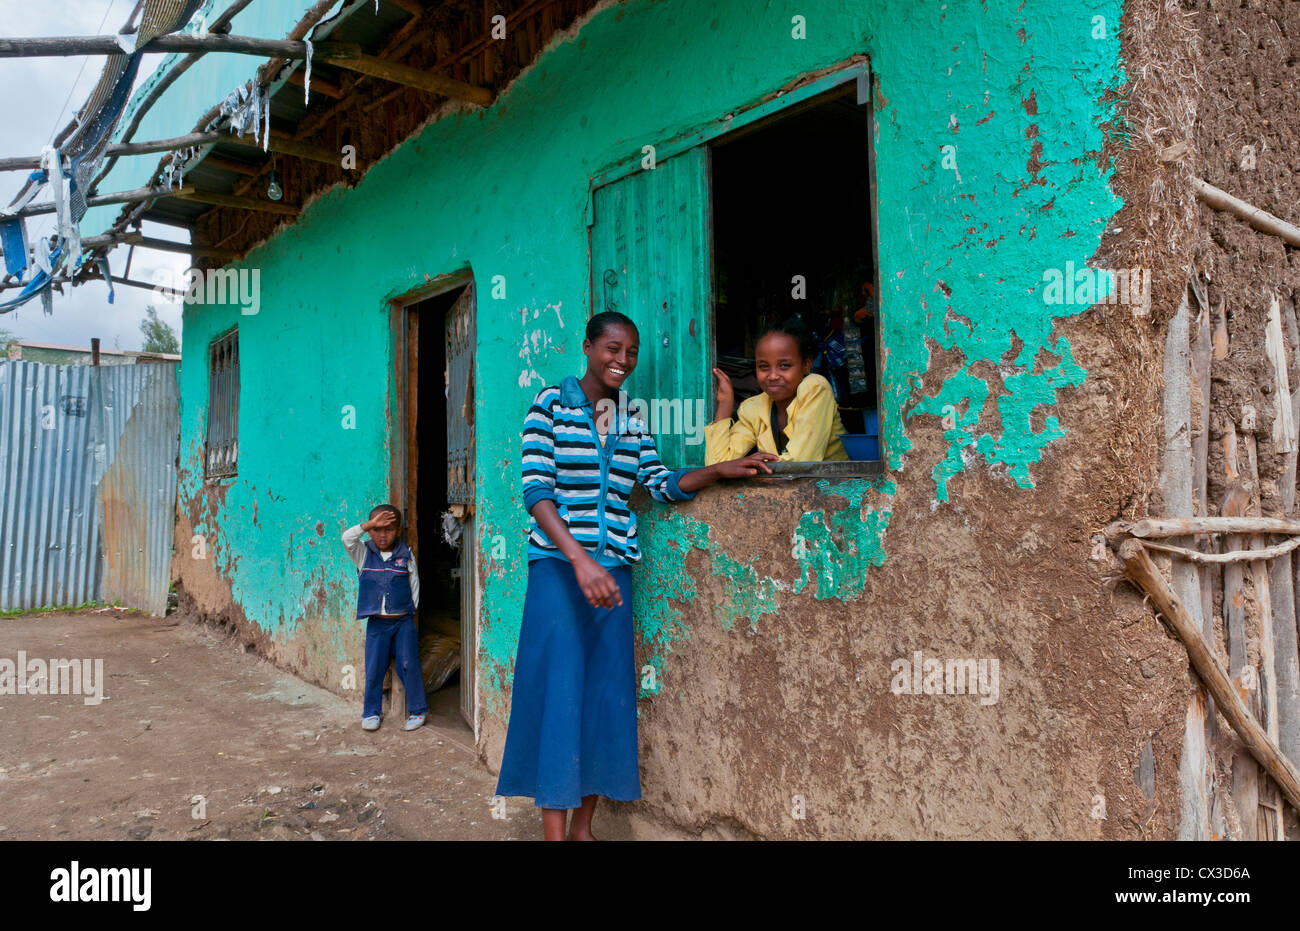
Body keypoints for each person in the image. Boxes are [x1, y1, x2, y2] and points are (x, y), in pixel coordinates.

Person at [495, 310, 777, 840]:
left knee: (605, 695)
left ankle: (583, 830)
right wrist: (580, 561)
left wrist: (718, 470)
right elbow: (537, 492)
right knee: (560, 693)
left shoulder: (633, 417)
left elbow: (656, 481)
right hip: (559, 570)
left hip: (615, 572)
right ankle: (554, 834)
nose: (622, 361)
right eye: (612, 349)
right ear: (587, 348)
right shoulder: (550, 404)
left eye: (631, 353)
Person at [706, 319, 848, 464]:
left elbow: (801, 463)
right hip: (785, 486)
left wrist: (758, 466)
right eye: (763, 367)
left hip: (834, 486)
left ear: (806, 365)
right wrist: (725, 404)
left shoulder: (816, 387)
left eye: (784, 366)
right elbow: (717, 465)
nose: (773, 376)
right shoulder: (753, 407)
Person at [341, 505, 428, 732]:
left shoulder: (405, 554)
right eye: (378, 529)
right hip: (377, 624)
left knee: (409, 665)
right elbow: (347, 538)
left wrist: (409, 612)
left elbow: (414, 585)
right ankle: (371, 712)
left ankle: (418, 710)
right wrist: (369, 523)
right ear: (370, 531)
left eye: (388, 529)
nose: (383, 535)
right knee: (374, 668)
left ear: (398, 530)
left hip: (403, 623)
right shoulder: (363, 554)